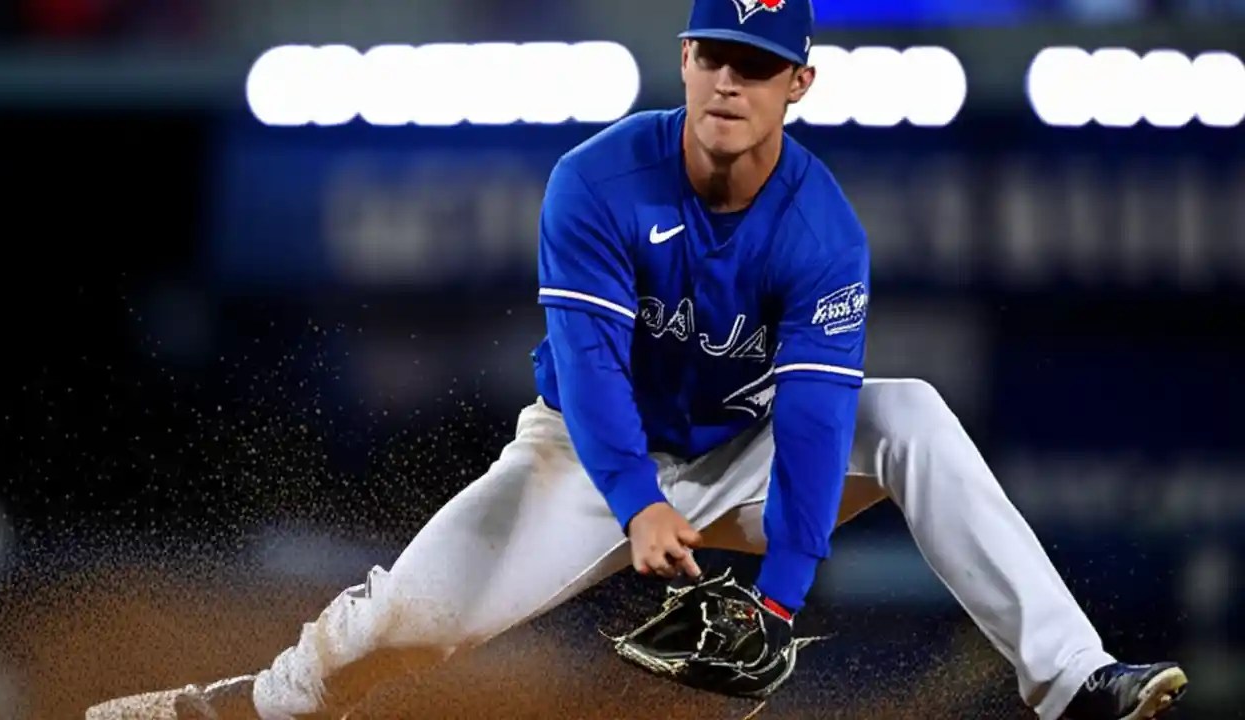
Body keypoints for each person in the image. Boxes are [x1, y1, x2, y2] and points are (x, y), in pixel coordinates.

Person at [84, 0, 1187, 718]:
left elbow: (812, 424)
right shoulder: (598, 179)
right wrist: (634, 504)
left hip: (744, 454)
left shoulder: (821, 230)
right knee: (398, 626)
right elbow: (592, 368)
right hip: (580, 457)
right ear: (685, 57)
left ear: (796, 86)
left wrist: (781, 597)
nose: (728, 82)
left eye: (757, 66)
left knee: (908, 418)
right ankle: (219, 709)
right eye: (715, 55)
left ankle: (1074, 679)